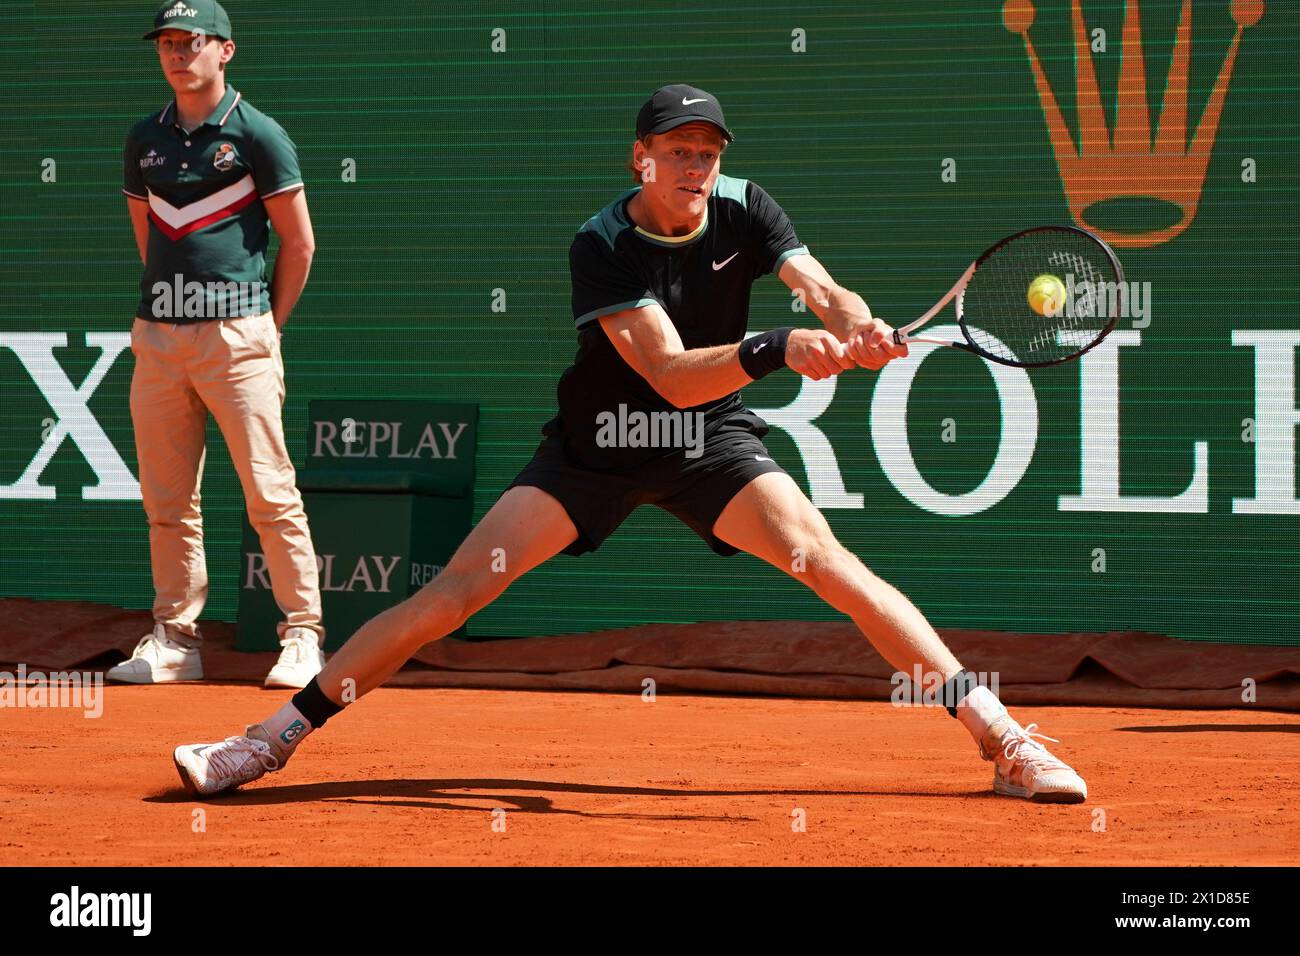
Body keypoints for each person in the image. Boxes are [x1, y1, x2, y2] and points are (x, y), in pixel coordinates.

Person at [173, 84, 1087, 803]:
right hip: (598, 444)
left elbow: (820, 287)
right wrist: (779, 349)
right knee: (455, 593)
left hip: (709, 443)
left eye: (709, 154)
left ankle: (1002, 737)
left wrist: (856, 324)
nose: (697, 167)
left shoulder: (747, 209)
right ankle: (266, 741)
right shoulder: (602, 243)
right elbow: (671, 374)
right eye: (679, 152)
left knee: (827, 560)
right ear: (640, 159)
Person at [110, 0, 325, 690]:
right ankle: (176, 641)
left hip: (239, 337)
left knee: (270, 492)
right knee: (168, 501)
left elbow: (299, 242)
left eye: (192, 41)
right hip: (159, 337)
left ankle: (303, 637)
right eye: (167, 43)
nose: (178, 54)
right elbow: (149, 239)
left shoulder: (260, 134)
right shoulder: (144, 137)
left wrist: (264, 328)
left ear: (225, 50)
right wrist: (171, 314)